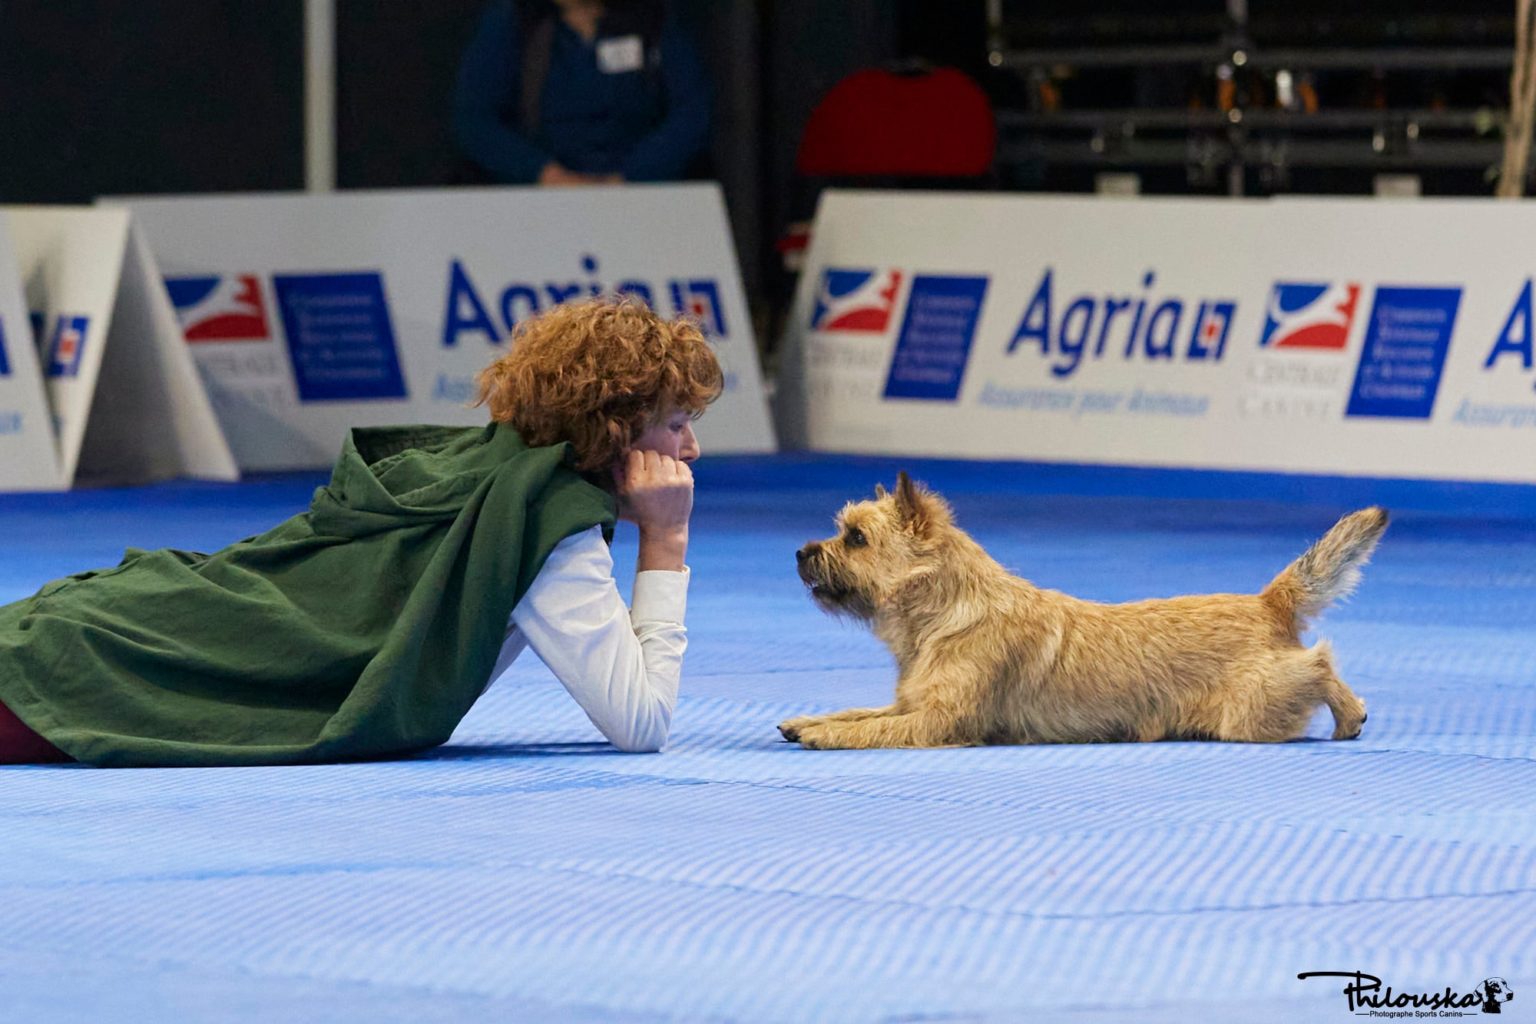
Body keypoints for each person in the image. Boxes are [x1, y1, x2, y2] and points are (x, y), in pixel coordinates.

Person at [0, 298, 721, 767]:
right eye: (677, 426)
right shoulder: (546, 521)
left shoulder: (476, 461)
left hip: (134, 616)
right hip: (115, 673)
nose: (689, 452)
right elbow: (641, 721)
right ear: (617, 428)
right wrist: (664, 541)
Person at [452, 0, 711, 186]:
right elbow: (475, 119)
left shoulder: (652, 19)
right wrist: (545, 174)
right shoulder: (514, 21)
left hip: (640, 193)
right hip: (537, 195)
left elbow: (691, 111)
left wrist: (632, 176)